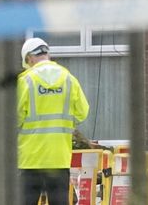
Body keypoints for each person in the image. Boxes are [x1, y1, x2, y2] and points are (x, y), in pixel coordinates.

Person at [17, 37, 90, 205]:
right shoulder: (69, 79)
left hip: (31, 158)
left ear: (29, 58)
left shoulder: (26, 80)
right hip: (59, 156)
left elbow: (15, 117)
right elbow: (82, 112)